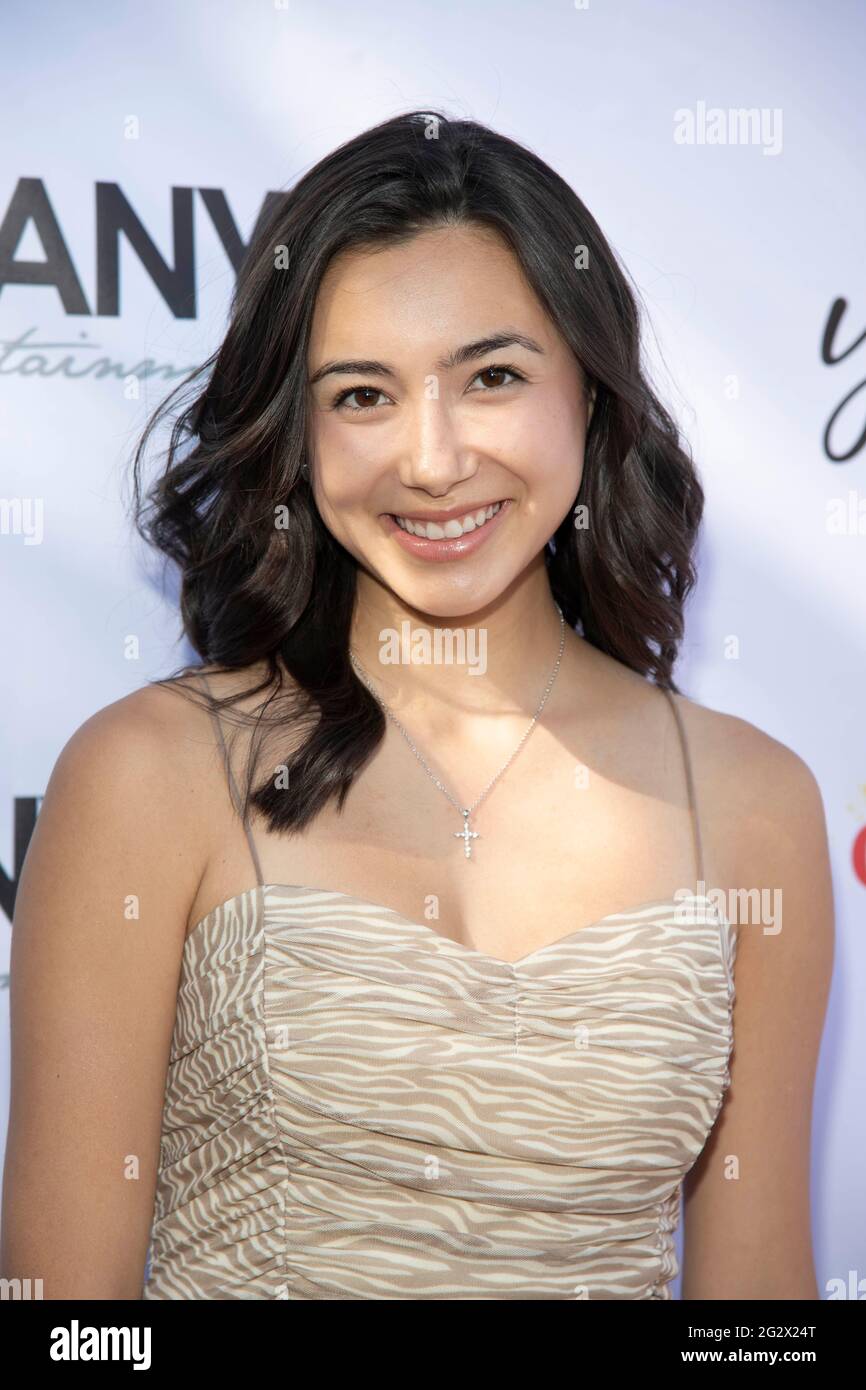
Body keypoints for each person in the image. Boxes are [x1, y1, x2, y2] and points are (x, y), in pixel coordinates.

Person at [0, 110, 833, 1300]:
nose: (432, 459)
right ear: (296, 437)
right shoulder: (150, 772)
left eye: (491, 376)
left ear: (588, 396)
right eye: (361, 395)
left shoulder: (751, 801)